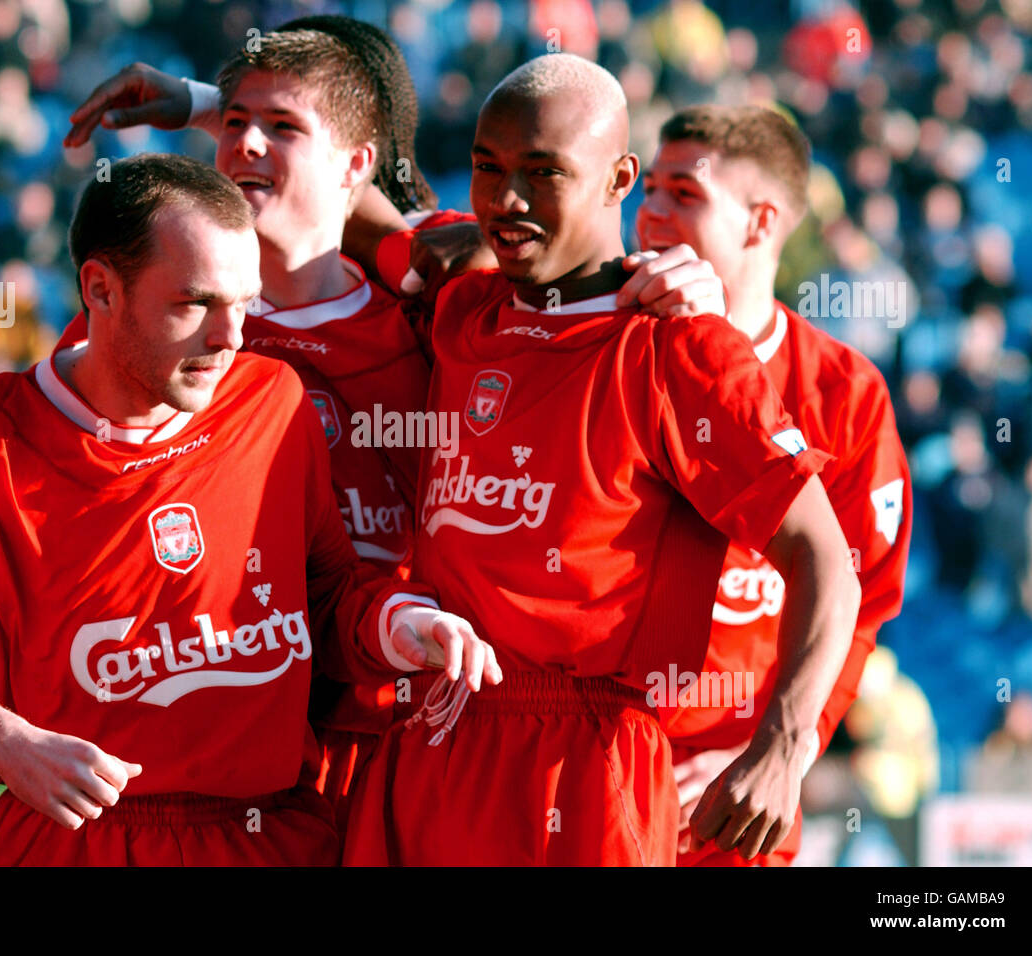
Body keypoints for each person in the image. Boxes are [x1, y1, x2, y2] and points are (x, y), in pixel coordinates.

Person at [0, 154, 501, 866]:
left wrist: (401, 622)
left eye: (244, 303)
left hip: (273, 838)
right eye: (194, 303)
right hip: (75, 844)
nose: (231, 337)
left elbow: (325, 596)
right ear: (100, 290)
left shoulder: (272, 400)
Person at [341, 54, 862, 866]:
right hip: (432, 743)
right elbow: (330, 190)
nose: (505, 200)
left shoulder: (679, 347)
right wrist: (206, 107)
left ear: (621, 177)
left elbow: (823, 553)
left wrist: (784, 748)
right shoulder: (464, 302)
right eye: (487, 167)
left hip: (585, 766)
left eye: (543, 173)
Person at [636, 104, 912, 865]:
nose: (649, 213)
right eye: (648, 188)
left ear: (761, 222)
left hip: (735, 804)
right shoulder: (606, 345)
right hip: (592, 773)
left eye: (683, 195)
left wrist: (780, 752)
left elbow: (863, 609)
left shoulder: (846, 396)